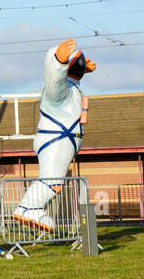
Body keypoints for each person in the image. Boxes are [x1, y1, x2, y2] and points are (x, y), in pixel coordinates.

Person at [12, 39, 97, 233]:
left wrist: (79, 72)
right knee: (51, 181)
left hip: (61, 140)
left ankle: (31, 208)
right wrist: (59, 62)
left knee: (54, 181)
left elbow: (65, 80)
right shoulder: (57, 90)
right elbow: (54, 79)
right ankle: (28, 208)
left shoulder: (70, 87)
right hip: (56, 140)